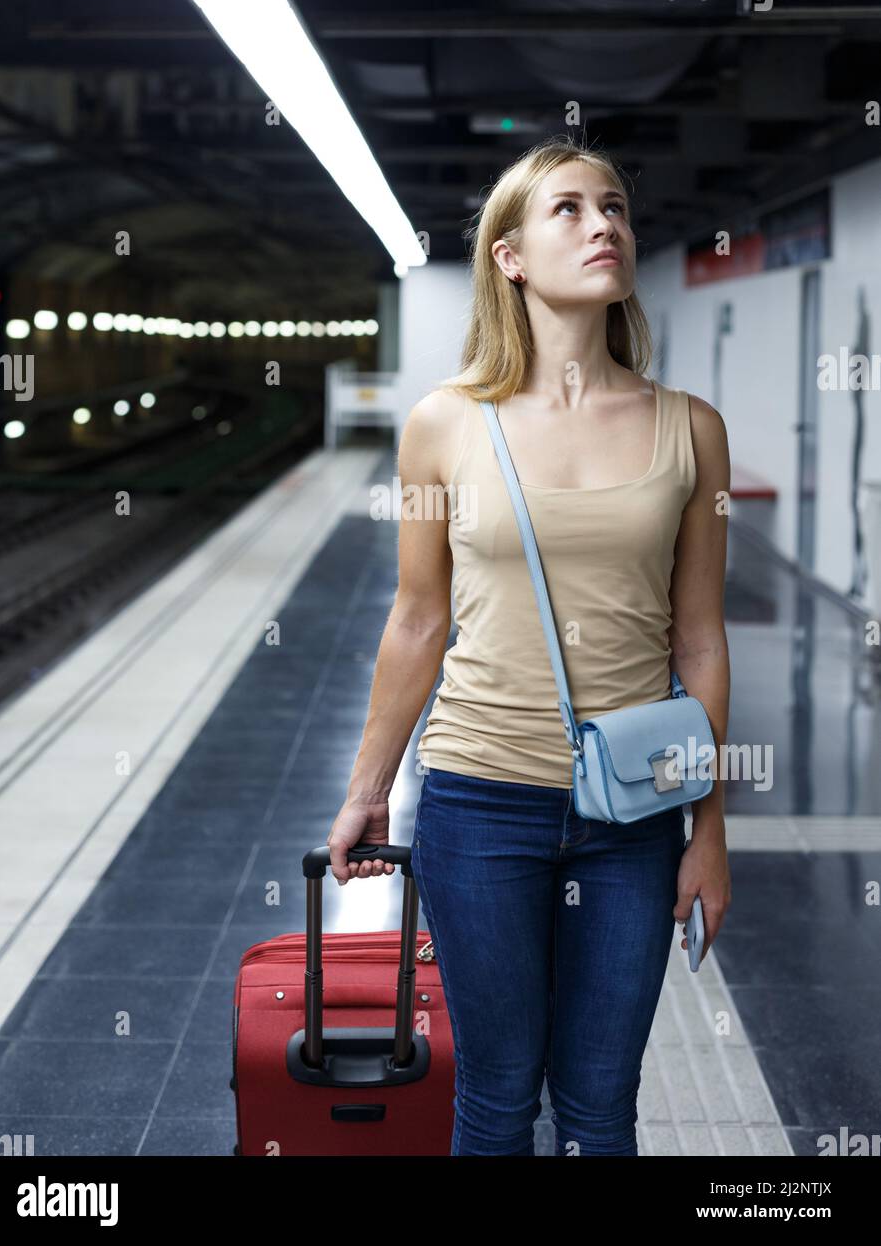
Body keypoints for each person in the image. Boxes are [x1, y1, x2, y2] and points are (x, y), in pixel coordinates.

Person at [327, 135, 732, 1156]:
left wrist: (708, 829)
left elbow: (699, 636)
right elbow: (417, 615)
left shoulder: (689, 427)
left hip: (632, 810)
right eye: (569, 209)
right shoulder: (441, 424)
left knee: (600, 1106)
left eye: (615, 207)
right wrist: (367, 786)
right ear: (507, 256)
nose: (604, 224)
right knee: (496, 1101)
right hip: (477, 798)